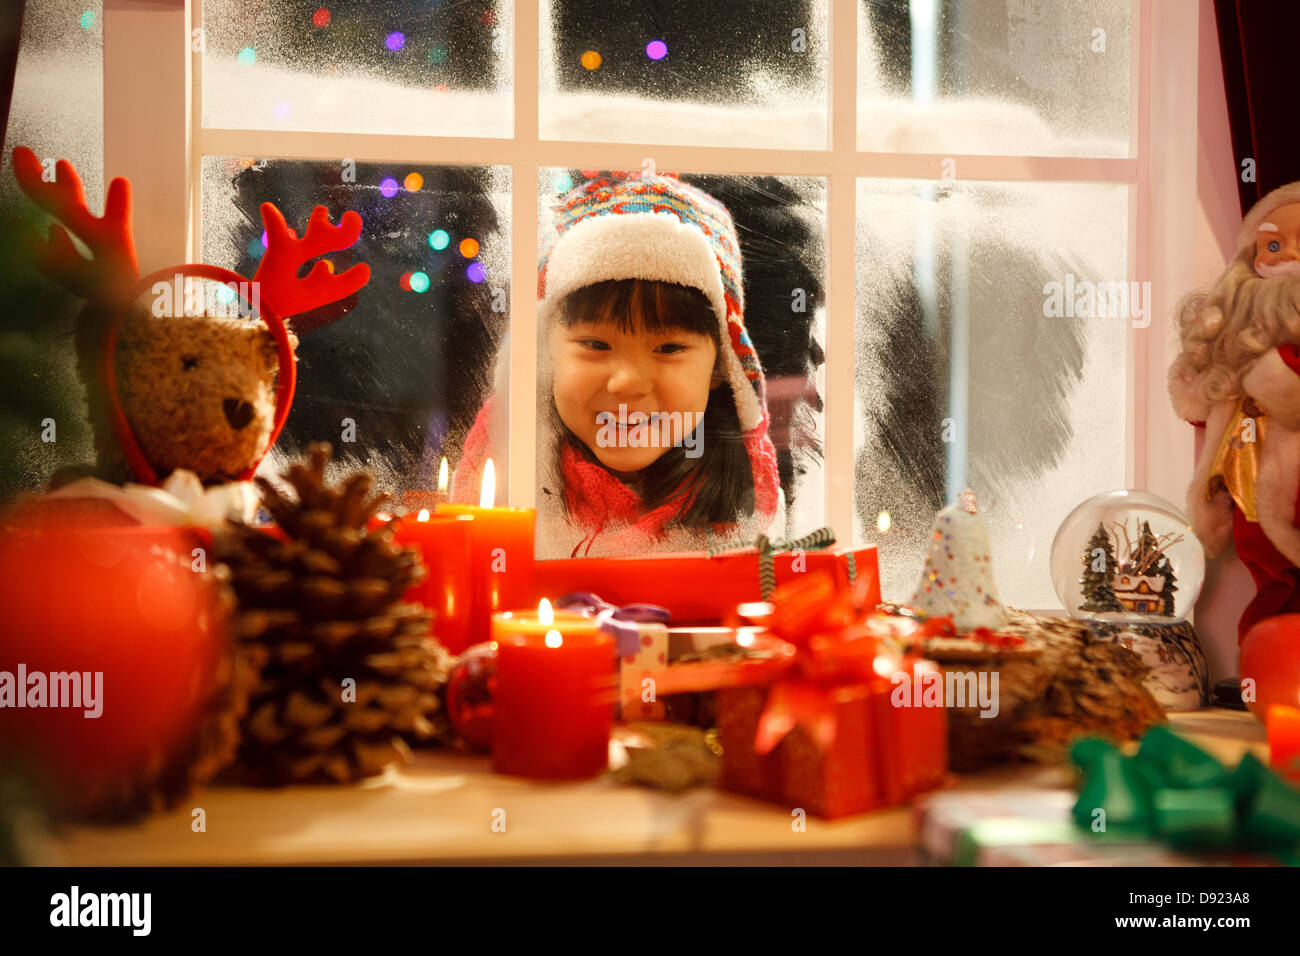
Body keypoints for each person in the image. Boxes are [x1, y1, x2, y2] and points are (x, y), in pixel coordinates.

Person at [452, 172, 783, 558]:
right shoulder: (504, 465)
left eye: (669, 348)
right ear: (546, 354)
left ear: (720, 367)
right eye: (596, 344)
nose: (627, 383)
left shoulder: (744, 495)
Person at [1169, 181, 1300, 642]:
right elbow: (1204, 408)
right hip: (1250, 496)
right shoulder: (1239, 335)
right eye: (1272, 244)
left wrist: (1268, 378)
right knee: (1272, 585)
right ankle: (1267, 669)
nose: (1286, 257)